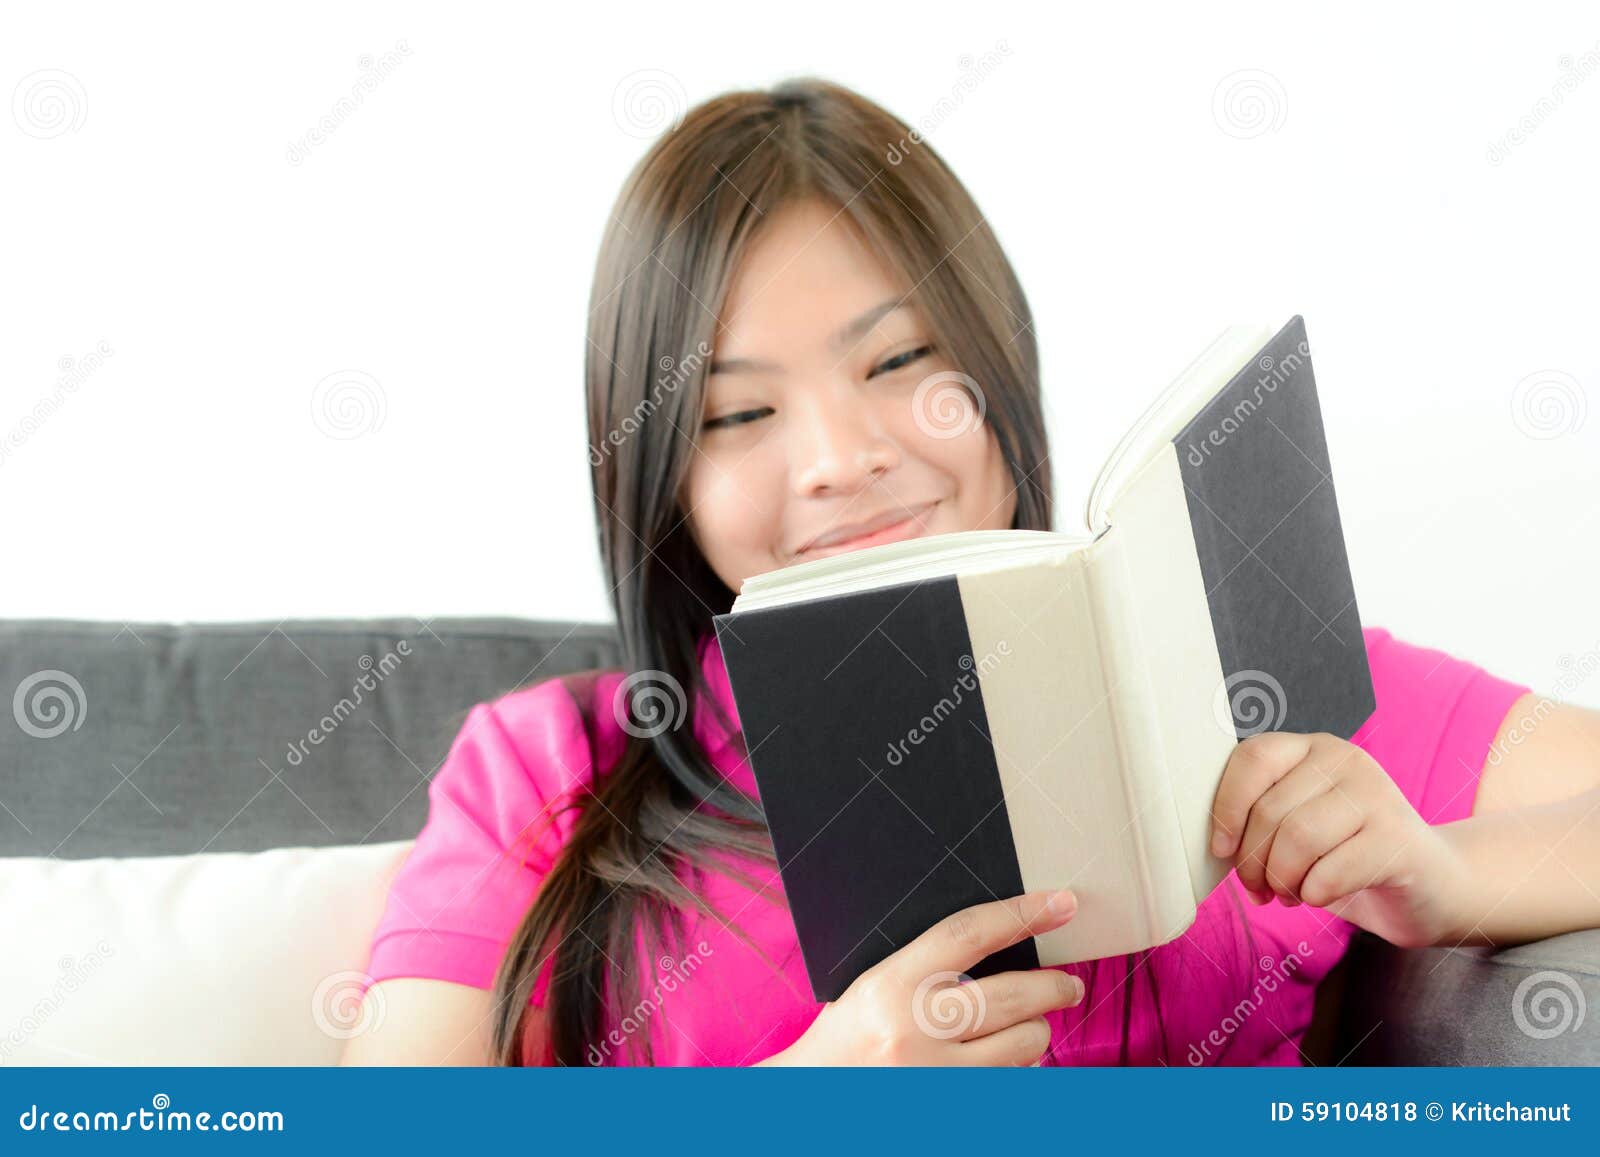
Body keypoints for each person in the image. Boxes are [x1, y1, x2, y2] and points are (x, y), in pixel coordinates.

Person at [341, 78, 1600, 1067]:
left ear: (995, 372)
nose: (839, 458)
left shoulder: (1242, 672)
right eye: (735, 415)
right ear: (660, 473)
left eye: (896, 366)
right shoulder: (547, 769)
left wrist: (1446, 880)